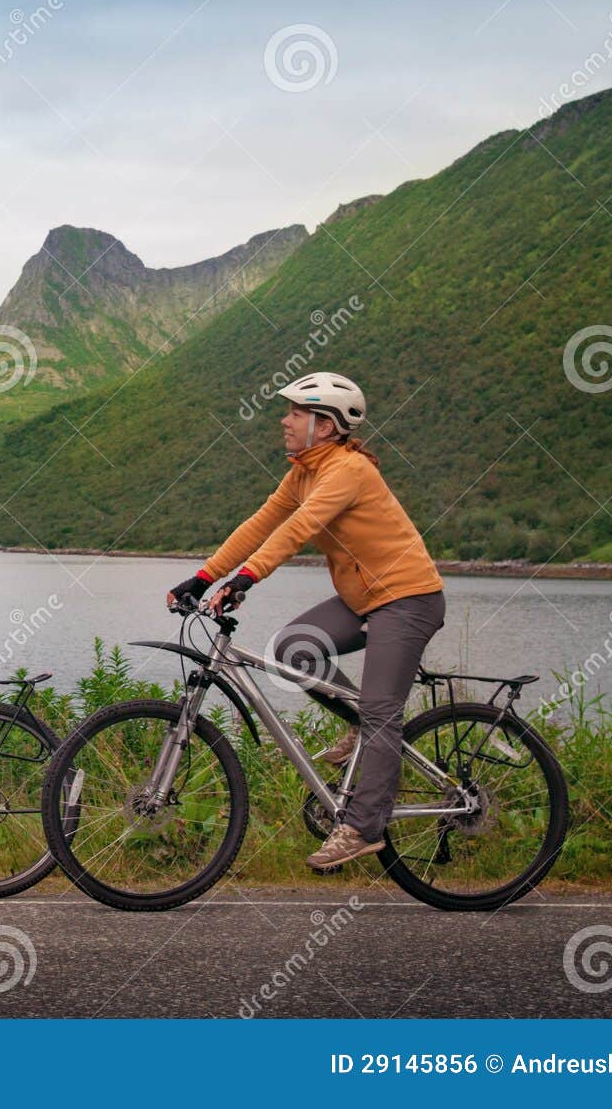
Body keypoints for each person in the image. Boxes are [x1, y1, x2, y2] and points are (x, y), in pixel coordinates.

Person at [166, 372, 445, 870]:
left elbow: (301, 527)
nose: (284, 420)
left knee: (383, 712)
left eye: (295, 413)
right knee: (294, 647)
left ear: (325, 424)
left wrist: (247, 578)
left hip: (407, 599)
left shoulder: (348, 470)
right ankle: (362, 726)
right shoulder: (304, 471)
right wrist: (204, 577)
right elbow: (263, 522)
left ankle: (363, 827)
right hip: (364, 599)